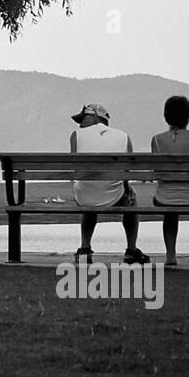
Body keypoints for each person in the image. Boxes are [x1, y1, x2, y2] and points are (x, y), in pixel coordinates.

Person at [69, 103, 147, 265]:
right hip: (114, 195)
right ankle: (131, 250)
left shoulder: (76, 135)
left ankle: (85, 248)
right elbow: (127, 172)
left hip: (84, 196)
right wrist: (126, 188)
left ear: (94, 116)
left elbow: (75, 169)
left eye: (83, 119)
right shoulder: (124, 136)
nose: (80, 124)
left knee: (89, 190)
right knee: (131, 198)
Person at [151, 95, 189, 268]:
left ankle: (170, 254)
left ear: (166, 116)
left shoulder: (157, 140)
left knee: (170, 208)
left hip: (165, 197)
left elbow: (157, 171)